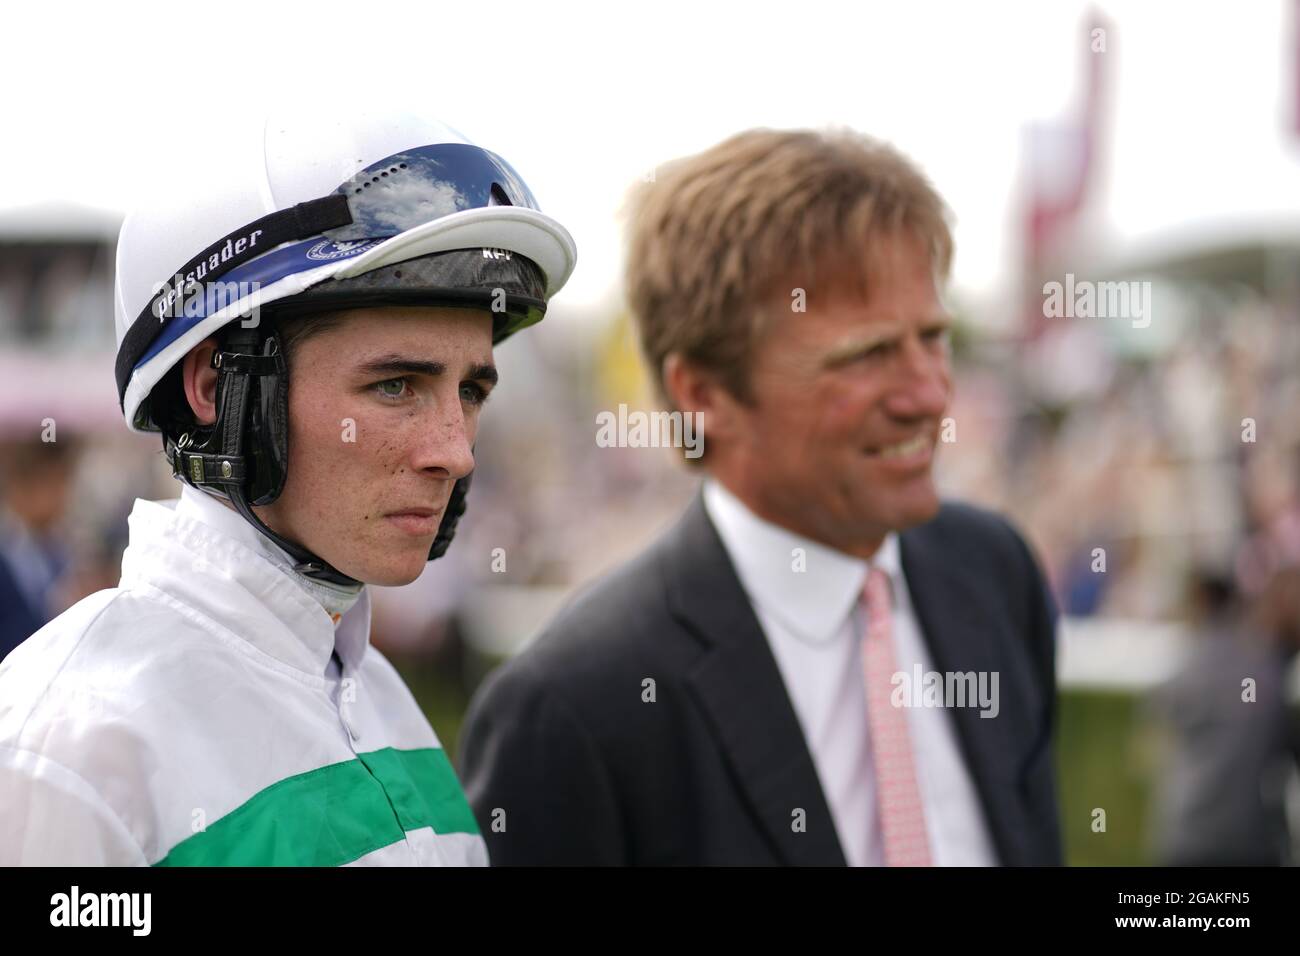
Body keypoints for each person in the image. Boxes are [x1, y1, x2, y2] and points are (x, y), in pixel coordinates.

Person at [460, 129, 1062, 866]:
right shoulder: (572, 711)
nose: (930, 393)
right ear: (705, 393)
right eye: (867, 354)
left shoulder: (994, 574)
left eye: (933, 339)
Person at [0, 109, 576, 865]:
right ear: (215, 385)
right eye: (397, 385)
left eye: (470, 391)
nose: (455, 452)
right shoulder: (65, 751)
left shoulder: (386, 700)